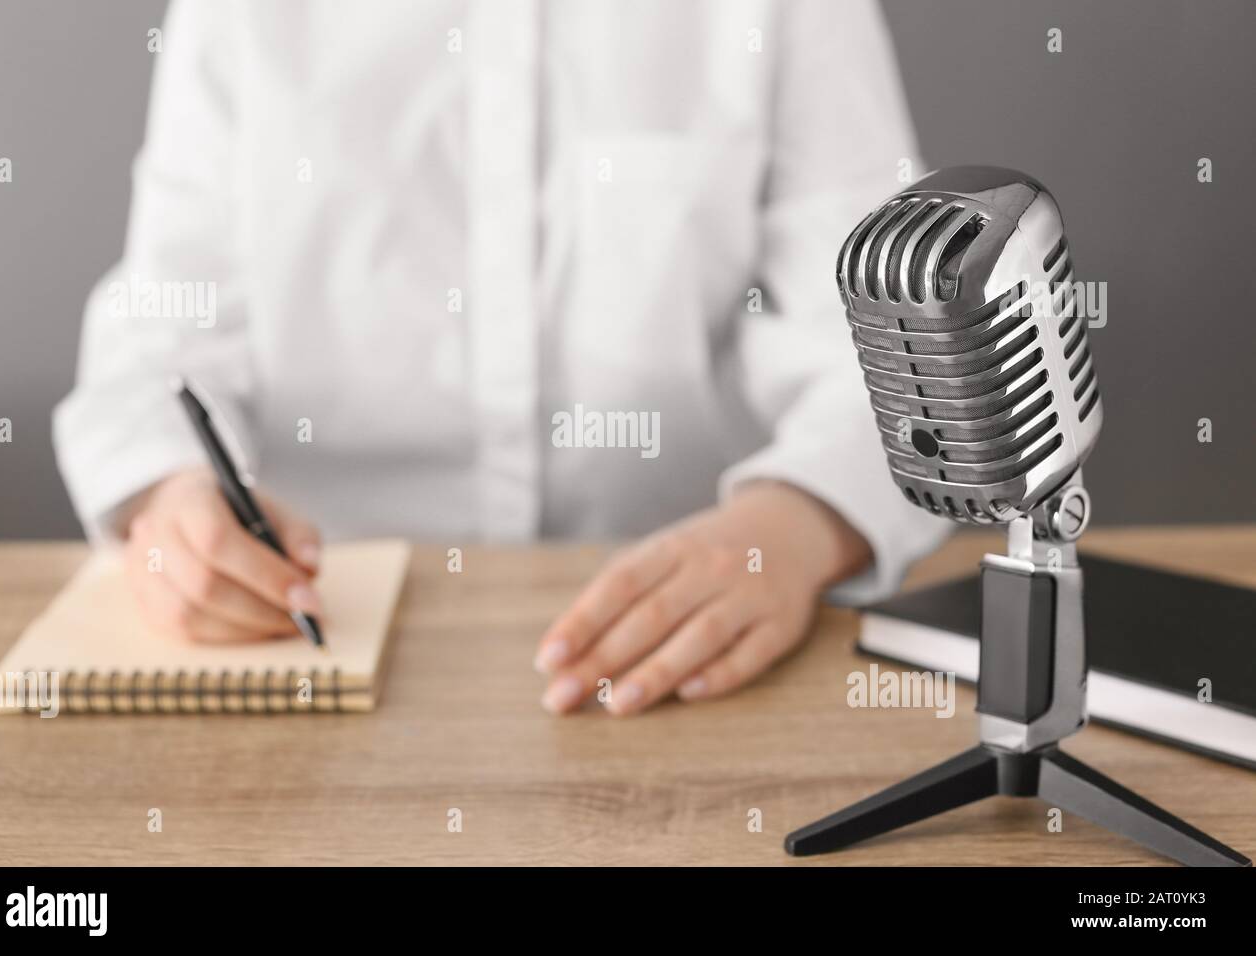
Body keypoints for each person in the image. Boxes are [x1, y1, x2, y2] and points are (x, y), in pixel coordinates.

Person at [53, 0, 946, 717]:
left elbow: (898, 353)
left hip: (690, 662)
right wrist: (173, 502)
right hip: (320, 648)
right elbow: (158, 336)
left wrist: (791, 530)